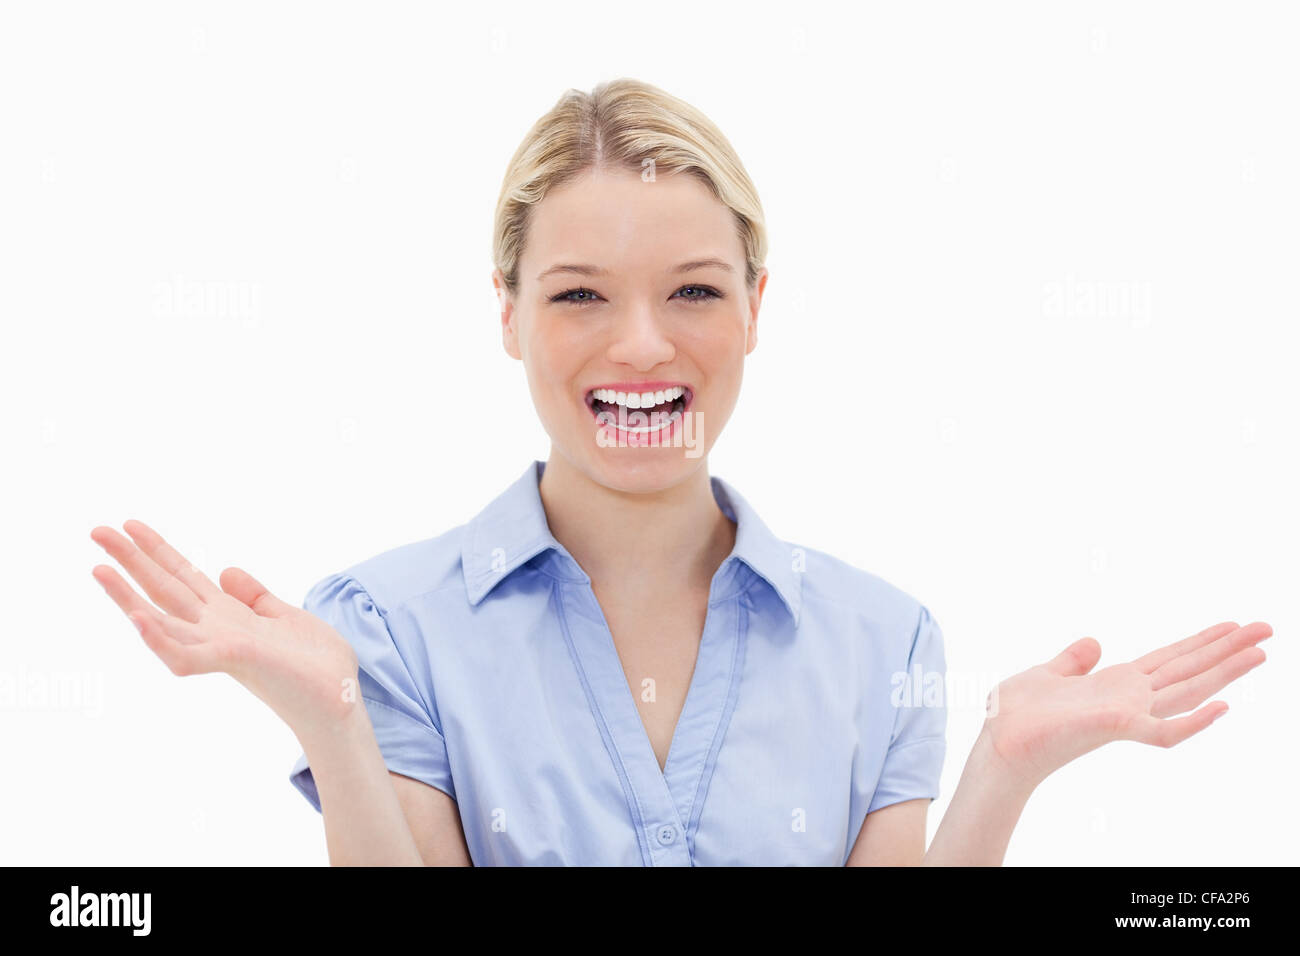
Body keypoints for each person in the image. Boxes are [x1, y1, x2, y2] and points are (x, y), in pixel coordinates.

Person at [89, 78, 1273, 866]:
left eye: (695, 289)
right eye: (579, 295)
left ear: (758, 307)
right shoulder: (386, 631)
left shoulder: (883, 641)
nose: (643, 344)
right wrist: (334, 720)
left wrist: (1000, 775)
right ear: (505, 313)